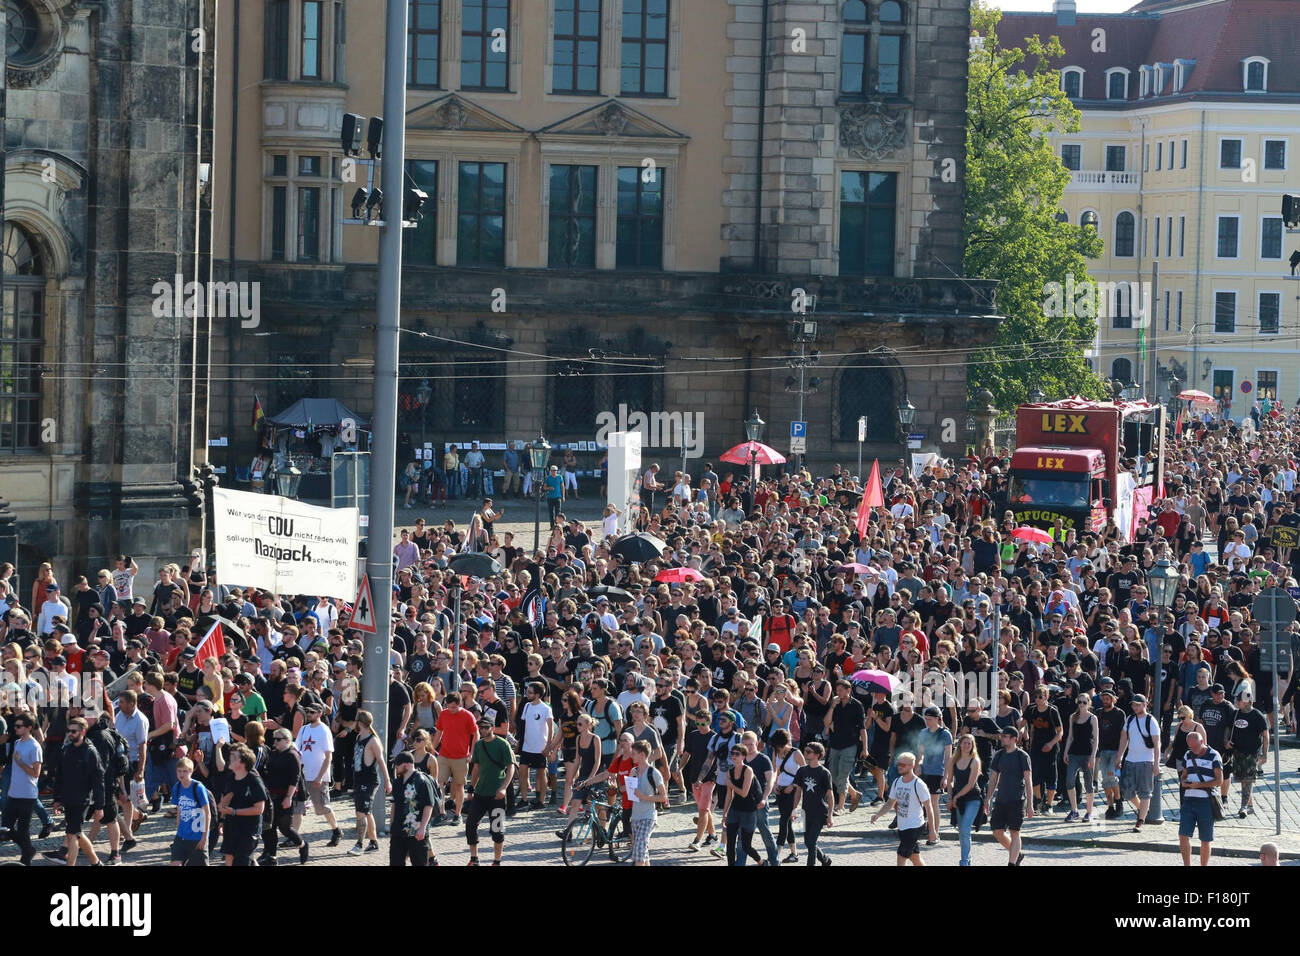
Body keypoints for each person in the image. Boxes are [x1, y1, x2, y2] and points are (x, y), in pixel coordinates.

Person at [46, 716, 104, 867]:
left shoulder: (90, 752)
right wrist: (57, 798)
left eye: (73, 731)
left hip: (82, 800)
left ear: (83, 732)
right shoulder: (66, 750)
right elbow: (60, 776)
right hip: (68, 798)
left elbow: (98, 781)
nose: (70, 734)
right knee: (76, 833)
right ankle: (96, 862)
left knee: (72, 834)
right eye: (69, 731)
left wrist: (99, 806)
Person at [466, 714, 515, 865]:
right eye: (480, 728)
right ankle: (474, 859)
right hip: (480, 793)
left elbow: (511, 767)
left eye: (486, 727)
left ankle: (497, 861)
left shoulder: (502, 744)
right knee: (470, 825)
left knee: (497, 830)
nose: (482, 730)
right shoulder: (479, 745)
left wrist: (504, 788)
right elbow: (476, 768)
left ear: (493, 728)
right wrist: (471, 789)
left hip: (497, 795)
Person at [294, 702, 343, 847]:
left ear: (320, 714)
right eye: (308, 712)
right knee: (298, 807)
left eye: (312, 712)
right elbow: (297, 749)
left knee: (322, 807)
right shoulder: (303, 729)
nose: (309, 714)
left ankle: (336, 830)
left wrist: (320, 777)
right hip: (303, 775)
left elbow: (328, 756)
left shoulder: (324, 730)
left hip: (317, 775)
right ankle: (294, 836)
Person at [871, 751, 930, 866]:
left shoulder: (918, 784)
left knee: (901, 855)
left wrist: (933, 831)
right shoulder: (897, 782)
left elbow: (929, 808)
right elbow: (890, 803)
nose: (899, 767)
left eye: (903, 765)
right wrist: (878, 815)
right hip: (902, 826)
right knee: (915, 857)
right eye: (899, 764)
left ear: (912, 766)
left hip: (914, 826)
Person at [259, 727, 308, 866]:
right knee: (269, 827)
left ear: (287, 740)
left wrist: (288, 797)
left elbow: (295, 778)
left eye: (278, 739)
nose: (275, 742)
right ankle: (271, 855)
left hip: (285, 796)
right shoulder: (274, 753)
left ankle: (302, 845)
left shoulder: (292, 755)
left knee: (285, 828)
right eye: (274, 739)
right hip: (271, 795)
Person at [347, 709, 391, 855]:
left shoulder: (372, 740)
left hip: (369, 781)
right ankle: (373, 842)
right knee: (366, 812)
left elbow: (381, 761)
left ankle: (359, 844)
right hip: (359, 779)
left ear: (359, 722)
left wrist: (387, 781)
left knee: (361, 812)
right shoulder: (359, 736)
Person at [987, 726, 1033, 866]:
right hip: (1001, 799)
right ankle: (1016, 854)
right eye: (1002, 736)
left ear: (1014, 739)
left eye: (1005, 736)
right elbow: (993, 779)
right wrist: (987, 798)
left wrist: (1030, 805)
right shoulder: (999, 755)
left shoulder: (1022, 756)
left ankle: (1011, 863)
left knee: (1015, 832)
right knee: (997, 831)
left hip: (1017, 800)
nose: (1002, 738)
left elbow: (1028, 781)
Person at [216, 745, 268, 867]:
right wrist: (222, 820)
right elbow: (224, 803)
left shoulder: (254, 780)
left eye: (234, 757)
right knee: (229, 856)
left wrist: (234, 811)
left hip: (249, 828)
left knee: (242, 860)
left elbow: (259, 809)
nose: (230, 759)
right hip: (232, 825)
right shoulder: (231, 778)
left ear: (243, 762)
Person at [1116, 694, 1161, 831]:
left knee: (1145, 792)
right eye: (1133, 705)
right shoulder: (1130, 719)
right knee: (1127, 791)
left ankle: (1140, 821)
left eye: (1138, 704)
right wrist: (1119, 757)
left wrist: (1156, 763)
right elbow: (1124, 739)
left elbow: (1157, 743)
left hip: (1146, 761)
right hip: (1130, 760)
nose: (1135, 707)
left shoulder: (1150, 720)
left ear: (1145, 704)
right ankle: (1143, 809)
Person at [432, 691, 477, 824]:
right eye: (448, 706)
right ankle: (441, 812)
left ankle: (457, 815)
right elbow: (439, 732)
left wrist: (472, 753)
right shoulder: (444, 714)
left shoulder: (468, 716)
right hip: (444, 755)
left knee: (459, 785)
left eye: (453, 707)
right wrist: (432, 749)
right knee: (439, 783)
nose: (450, 710)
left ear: (460, 704)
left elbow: (476, 734)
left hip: (461, 756)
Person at [1178, 731, 1223, 867]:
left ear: (1202, 742)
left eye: (1195, 747)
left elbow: (1219, 780)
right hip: (1188, 800)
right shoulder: (1187, 754)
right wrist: (1184, 782)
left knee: (1205, 838)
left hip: (1206, 801)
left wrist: (1200, 785)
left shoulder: (1214, 755)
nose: (1193, 750)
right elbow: (1183, 775)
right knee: (1183, 835)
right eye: (1190, 747)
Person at [1, 714, 41, 865]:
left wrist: (20, 762)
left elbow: (36, 773)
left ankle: (26, 857)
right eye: (15, 726)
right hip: (13, 793)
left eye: (19, 726)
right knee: (5, 829)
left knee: (23, 831)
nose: (15, 728)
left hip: (27, 795)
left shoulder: (34, 746)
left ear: (29, 728)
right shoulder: (17, 743)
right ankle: (29, 850)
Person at [1223, 687, 1269, 818]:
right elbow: (1228, 727)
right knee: (1242, 779)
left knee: (1247, 780)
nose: (1237, 702)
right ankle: (1250, 806)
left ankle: (1243, 807)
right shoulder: (1236, 714)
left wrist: (1264, 754)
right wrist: (1226, 740)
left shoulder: (1257, 716)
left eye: (1240, 700)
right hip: (1237, 752)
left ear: (1248, 701)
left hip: (1252, 753)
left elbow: (1266, 736)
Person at [390, 751, 439, 867]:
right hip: (398, 831)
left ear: (407, 765)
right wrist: (392, 826)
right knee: (395, 862)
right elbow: (394, 804)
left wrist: (422, 828)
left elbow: (429, 805)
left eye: (398, 765)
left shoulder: (422, 781)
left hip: (416, 831)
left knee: (419, 863)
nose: (396, 768)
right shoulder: (397, 782)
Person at [792, 741, 833, 866]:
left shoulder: (824, 773)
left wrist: (830, 815)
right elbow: (798, 792)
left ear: (817, 755)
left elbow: (830, 795)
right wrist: (794, 809)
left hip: (820, 813)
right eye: (805, 750)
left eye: (808, 752)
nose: (805, 753)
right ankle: (825, 860)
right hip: (805, 812)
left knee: (811, 842)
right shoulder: (802, 771)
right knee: (807, 842)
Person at [944, 733, 983, 867]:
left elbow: (970, 784)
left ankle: (964, 862)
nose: (966, 745)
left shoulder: (975, 761)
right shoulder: (953, 760)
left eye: (969, 743)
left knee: (965, 828)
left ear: (972, 746)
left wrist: (955, 797)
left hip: (972, 798)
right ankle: (967, 858)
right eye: (964, 742)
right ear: (959, 744)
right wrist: (950, 798)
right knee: (962, 831)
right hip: (958, 799)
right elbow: (949, 781)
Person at [627, 739, 668, 866]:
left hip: (648, 817)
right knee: (642, 851)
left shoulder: (654, 773)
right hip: (635, 816)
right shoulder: (633, 771)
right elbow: (631, 794)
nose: (631, 756)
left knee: (639, 853)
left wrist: (645, 797)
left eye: (634, 753)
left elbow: (663, 797)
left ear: (642, 755)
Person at [1062, 693, 1099, 822]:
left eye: (1084, 702)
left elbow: (1095, 739)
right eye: (1079, 702)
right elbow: (1070, 736)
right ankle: (1074, 810)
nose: (1082, 704)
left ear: (1089, 703)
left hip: (1087, 754)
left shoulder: (1093, 718)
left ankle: (1089, 812)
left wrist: (1093, 756)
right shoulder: (1073, 717)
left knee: (1089, 783)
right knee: (1069, 781)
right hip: (1074, 753)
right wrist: (1065, 751)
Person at [168, 757, 211, 866]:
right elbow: (179, 810)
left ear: (191, 771)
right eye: (179, 771)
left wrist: (204, 837)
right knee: (175, 863)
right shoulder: (176, 787)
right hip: (181, 836)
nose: (182, 774)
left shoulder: (198, 787)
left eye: (185, 771)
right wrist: (178, 829)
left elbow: (207, 813)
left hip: (197, 836)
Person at [721, 743, 758, 866]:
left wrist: (731, 785)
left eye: (737, 754)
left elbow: (744, 793)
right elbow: (728, 795)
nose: (734, 756)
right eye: (732, 753)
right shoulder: (730, 771)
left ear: (743, 756)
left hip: (748, 811)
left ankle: (761, 862)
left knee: (746, 846)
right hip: (734, 810)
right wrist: (724, 813)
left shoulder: (748, 770)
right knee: (730, 843)